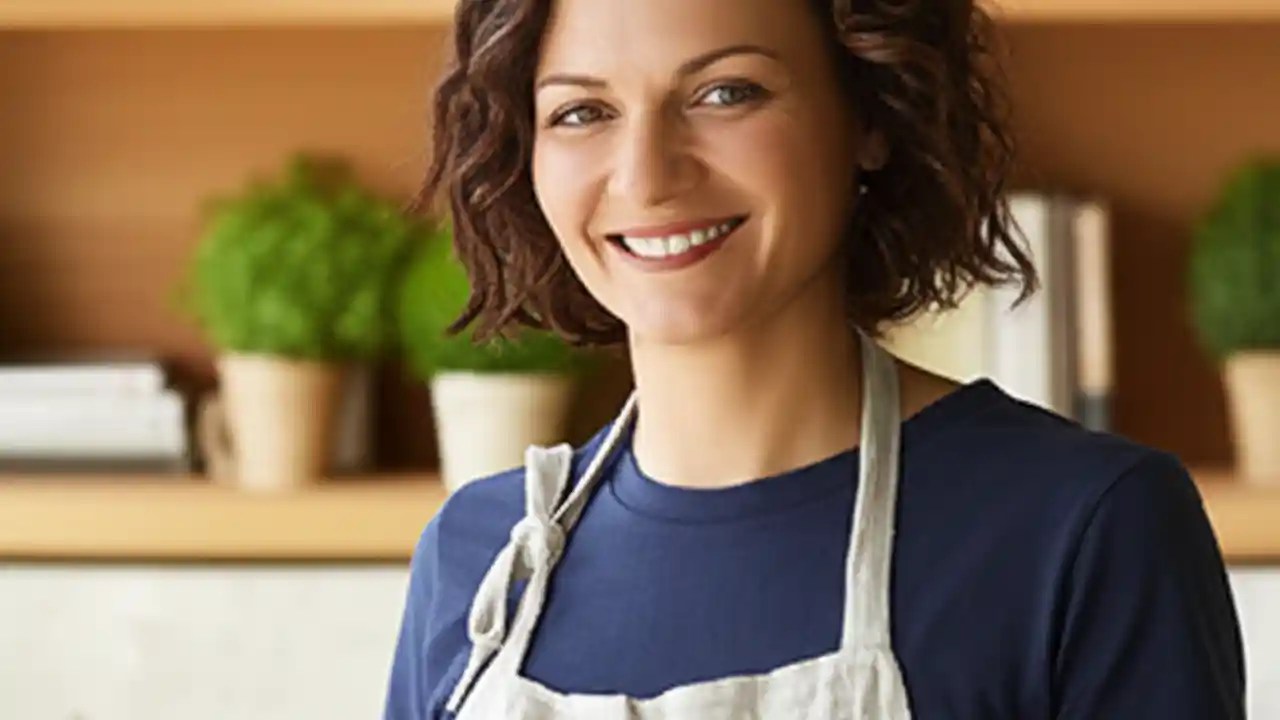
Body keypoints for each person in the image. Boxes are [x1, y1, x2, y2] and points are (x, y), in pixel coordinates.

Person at [385, 0, 1247, 717]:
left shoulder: (1082, 530)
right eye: (581, 112)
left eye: (726, 92)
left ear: (871, 116)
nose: (645, 175)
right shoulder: (478, 560)